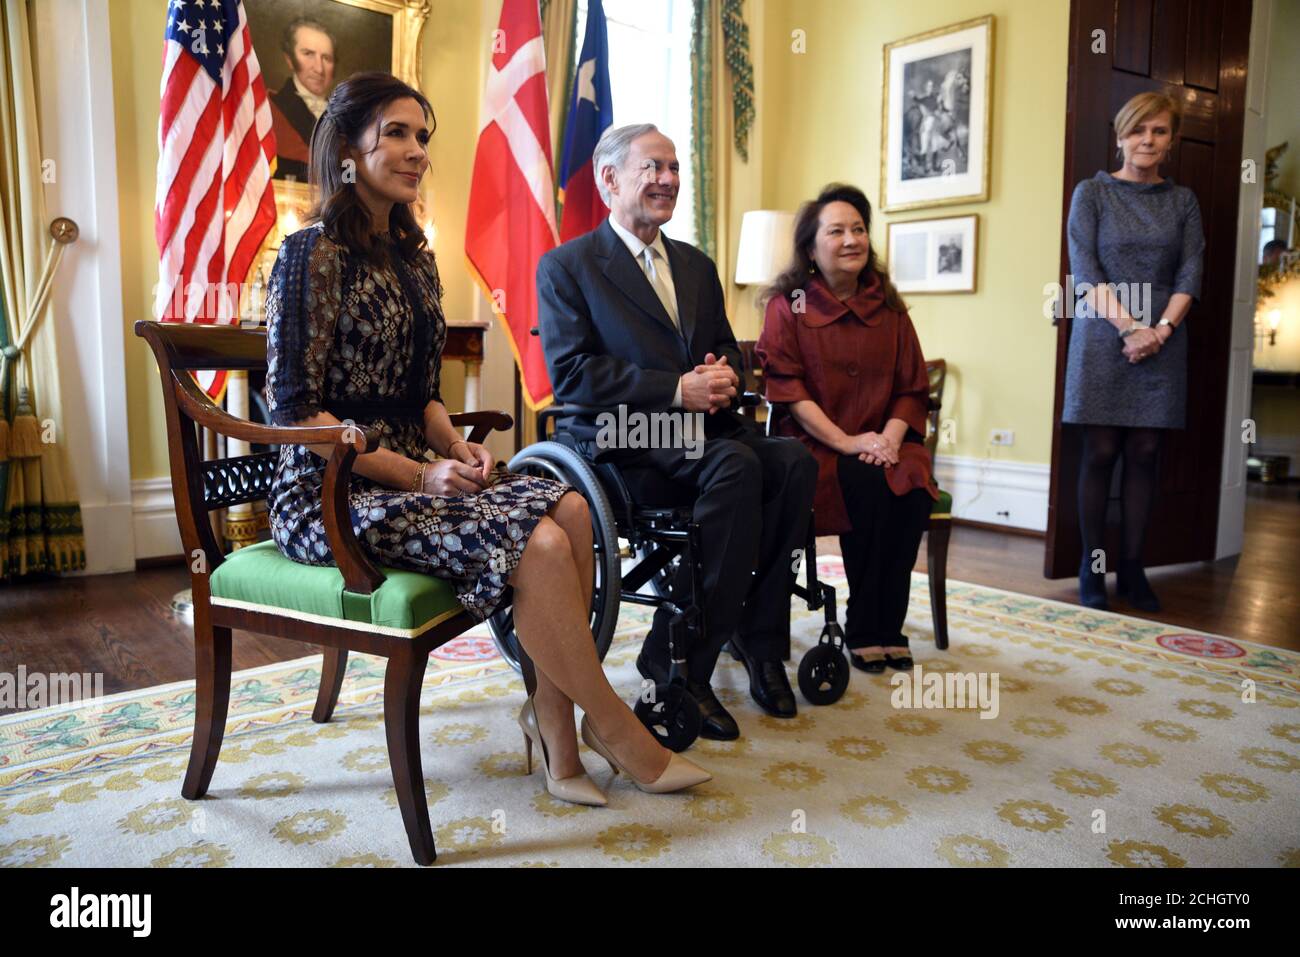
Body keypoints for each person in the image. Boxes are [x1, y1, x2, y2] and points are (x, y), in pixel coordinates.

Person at [263, 73, 709, 806]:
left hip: (416, 471)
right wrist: (418, 474)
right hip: (330, 490)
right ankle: (615, 729)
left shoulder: (415, 256)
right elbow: (295, 415)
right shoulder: (309, 254)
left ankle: (556, 740)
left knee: (567, 507)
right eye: (399, 134)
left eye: (423, 138)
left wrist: (454, 447)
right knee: (535, 543)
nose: (417, 153)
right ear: (347, 148)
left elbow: (422, 395)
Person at [537, 123, 818, 738]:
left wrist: (723, 373)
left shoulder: (695, 264)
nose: (668, 179)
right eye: (652, 167)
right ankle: (679, 663)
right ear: (608, 179)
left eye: (674, 167)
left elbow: (724, 348)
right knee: (736, 467)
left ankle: (760, 641)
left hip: (703, 429)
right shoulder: (567, 267)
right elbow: (573, 375)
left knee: (795, 464)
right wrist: (675, 389)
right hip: (623, 433)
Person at [757, 184, 938, 672]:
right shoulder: (788, 304)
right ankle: (864, 627)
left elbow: (912, 388)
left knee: (912, 488)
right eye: (836, 231)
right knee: (869, 485)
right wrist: (850, 442)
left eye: (858, 229)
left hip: (889, 441)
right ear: (811, 247)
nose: (851, 239)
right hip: (815, 449)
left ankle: (886, 625)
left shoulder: (891, 306)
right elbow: (788, 390)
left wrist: (890, 439)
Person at [1064, 91, 1205, 612]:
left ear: (1171, 141)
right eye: (1138, 130)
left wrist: (1160, 331)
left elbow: (1190, 273)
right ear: (1120, 135)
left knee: (1146, 453)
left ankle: (1134, 567)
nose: (1148, 140)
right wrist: (1128, 328)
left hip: (1165, 337)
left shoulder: (1182, 201)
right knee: (1100, 452)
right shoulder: (1092, 193)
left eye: (1160, 131)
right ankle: (1091, 567)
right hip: (1103, 334)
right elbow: (1086, 272)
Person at [270, 18, 337, 182]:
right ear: (289, 59)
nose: (319, 69)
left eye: (326, 58)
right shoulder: (272, 107)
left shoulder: (346, 115)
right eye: (308, 54)